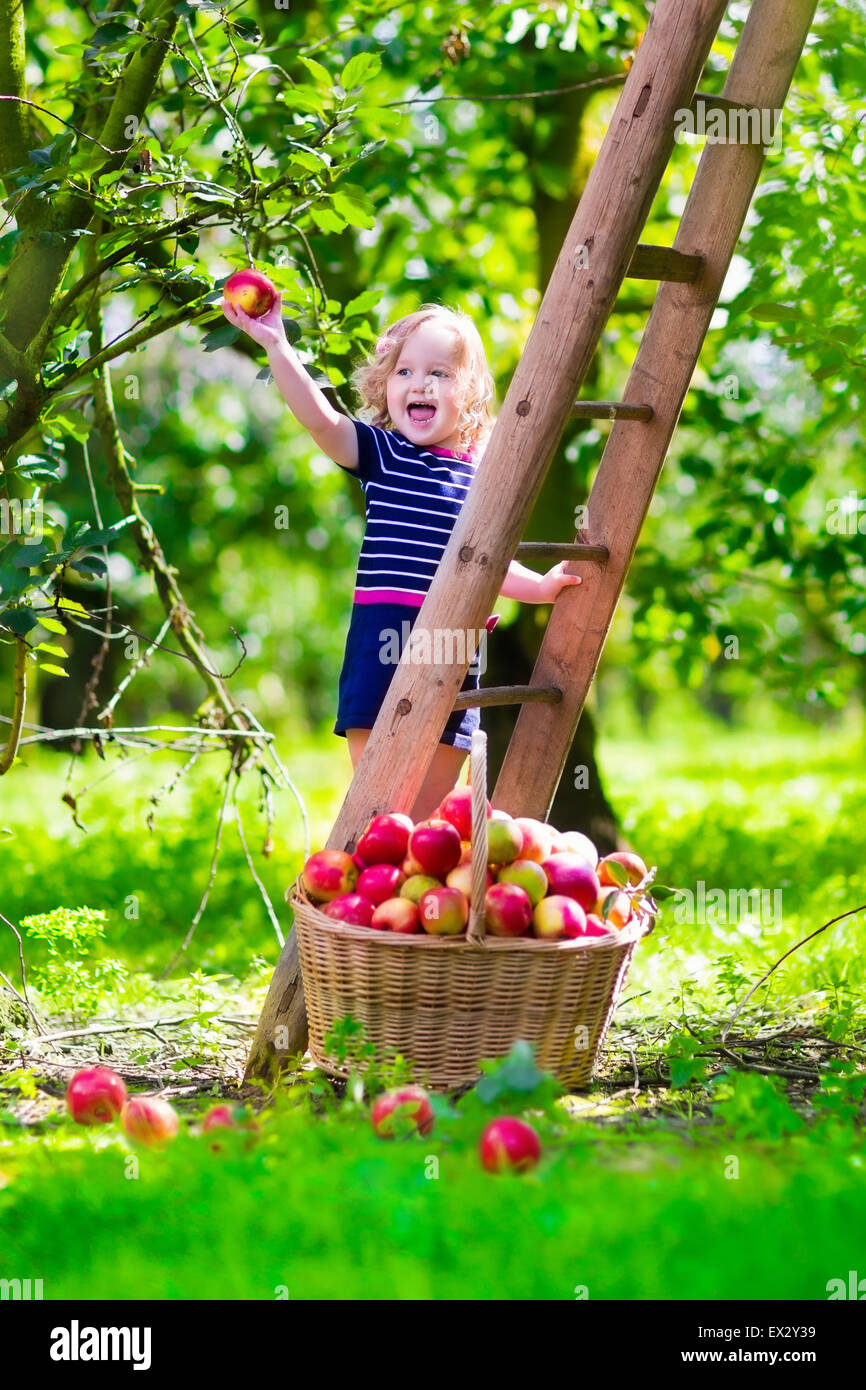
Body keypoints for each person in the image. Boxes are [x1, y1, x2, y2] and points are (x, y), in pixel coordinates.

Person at [221, 295, 581, 819]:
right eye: (405, 371)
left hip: (454, 637)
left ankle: (416, 858)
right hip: (385, 629)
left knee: (434, 783)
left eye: (439, 372)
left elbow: (489, 563)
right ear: (385, 388)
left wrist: (542, 588)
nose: (420, 384)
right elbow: (321, 420)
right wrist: (278, 345)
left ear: (471, 394)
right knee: (380, 789)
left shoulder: (482, 481)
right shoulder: (385, 455)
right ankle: (375, 840)